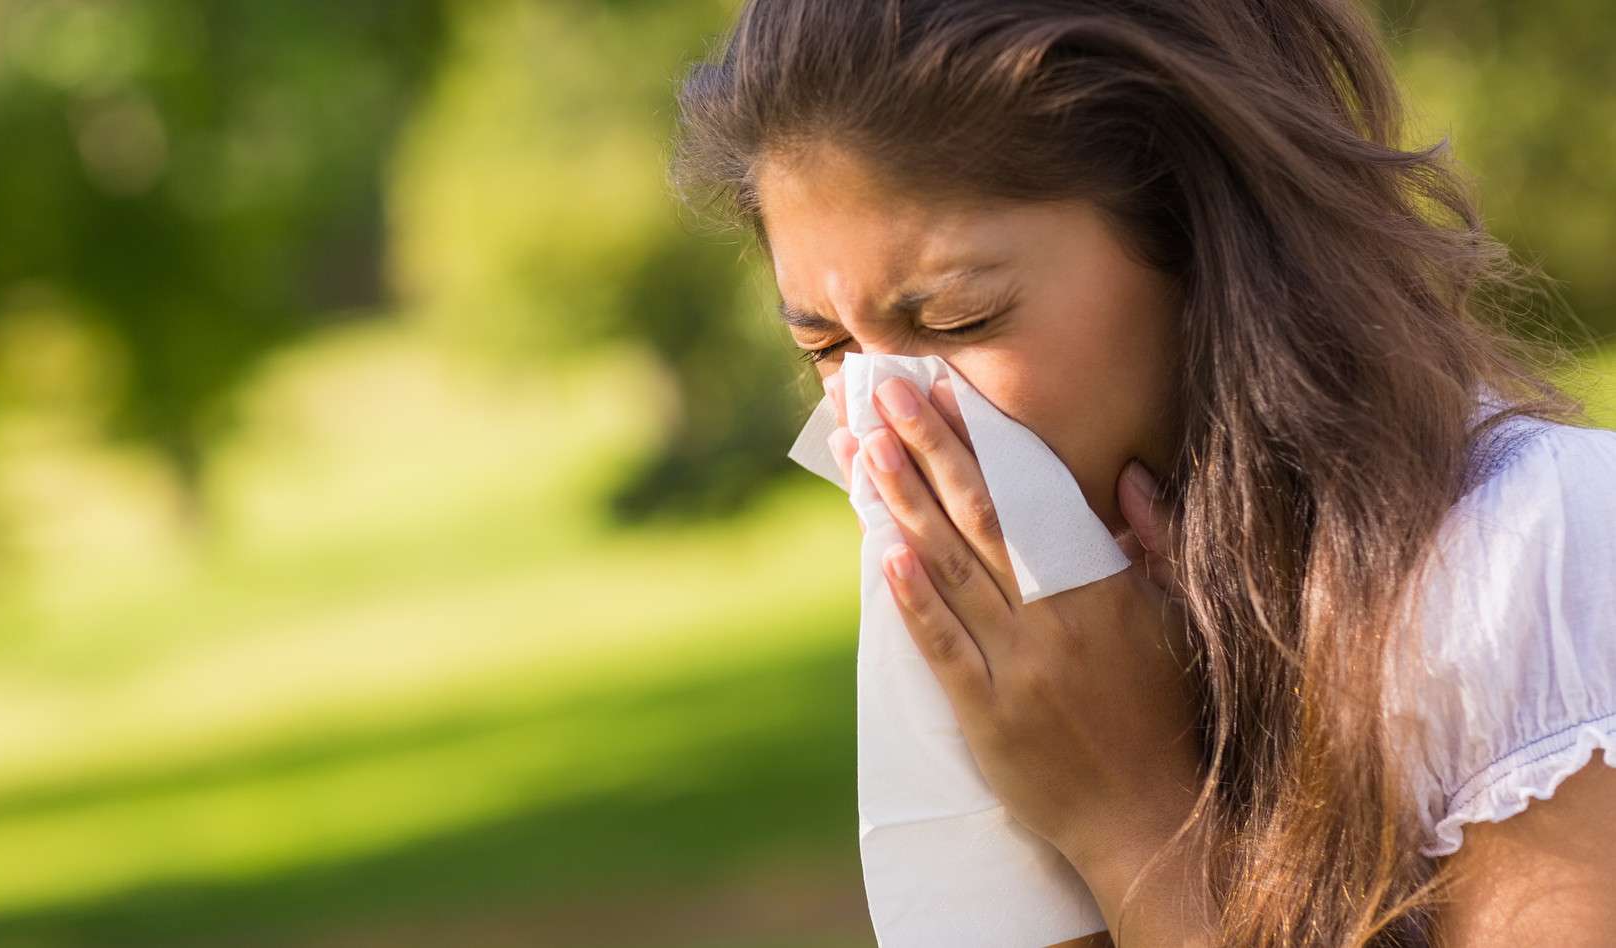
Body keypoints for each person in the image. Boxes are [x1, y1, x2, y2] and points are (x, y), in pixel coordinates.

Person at [667, 1, 1616, 945]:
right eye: (828, 347)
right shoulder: (1061, 661)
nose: (891, 423)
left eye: (960, 319)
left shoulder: (1530, 560)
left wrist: (1128, 823)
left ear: (1199, 244)